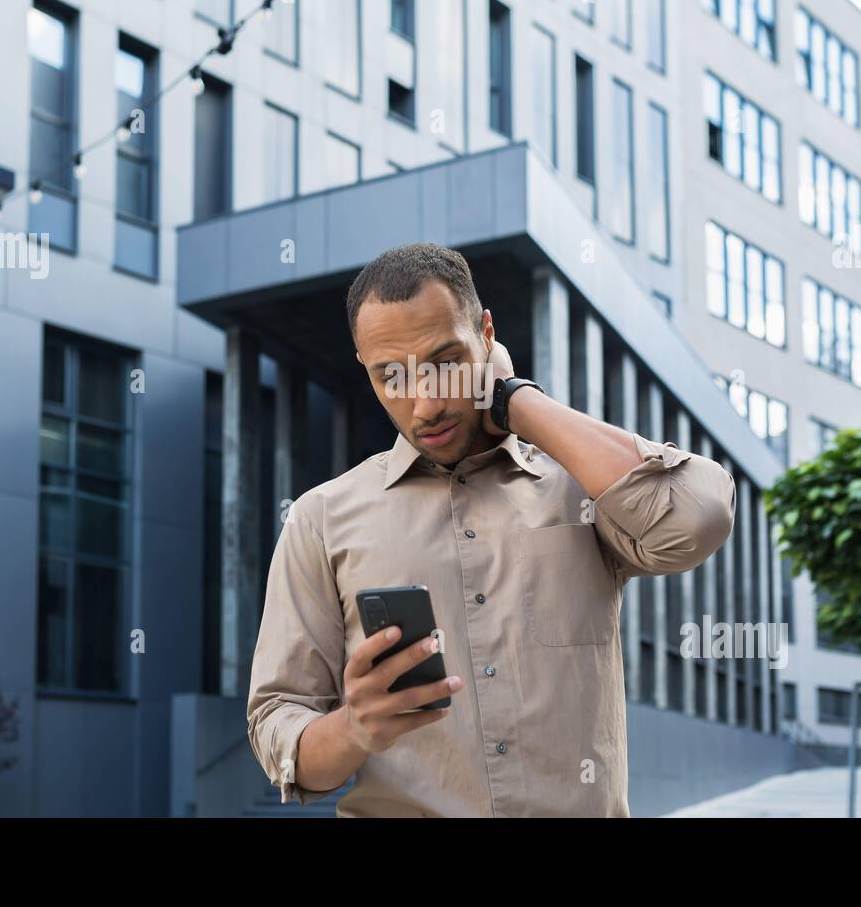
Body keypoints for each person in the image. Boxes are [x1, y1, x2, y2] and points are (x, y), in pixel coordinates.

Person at [246, 243, 737, 816]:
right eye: (392, 376)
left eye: (446, 362)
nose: (424, 404)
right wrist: (353, 728)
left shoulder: (580, 485)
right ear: (365, 367)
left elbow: (698, 517)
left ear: (486, 334)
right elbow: (278, 725)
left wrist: (514, 400)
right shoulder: (319, 519)